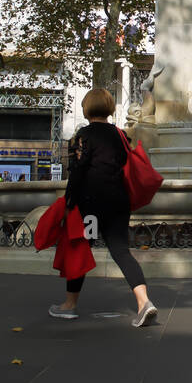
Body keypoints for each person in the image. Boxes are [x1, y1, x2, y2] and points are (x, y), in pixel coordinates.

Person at [52, 88, 156, 327]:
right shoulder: (120, 135)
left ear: (86, 108)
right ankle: (144, 302)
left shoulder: (83, 136)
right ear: (109, 108)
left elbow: (77, 172)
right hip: (118, 203)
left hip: (90, 205)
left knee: (80, 249)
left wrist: (69, 203)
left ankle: (69, 305)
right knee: (121, 252)